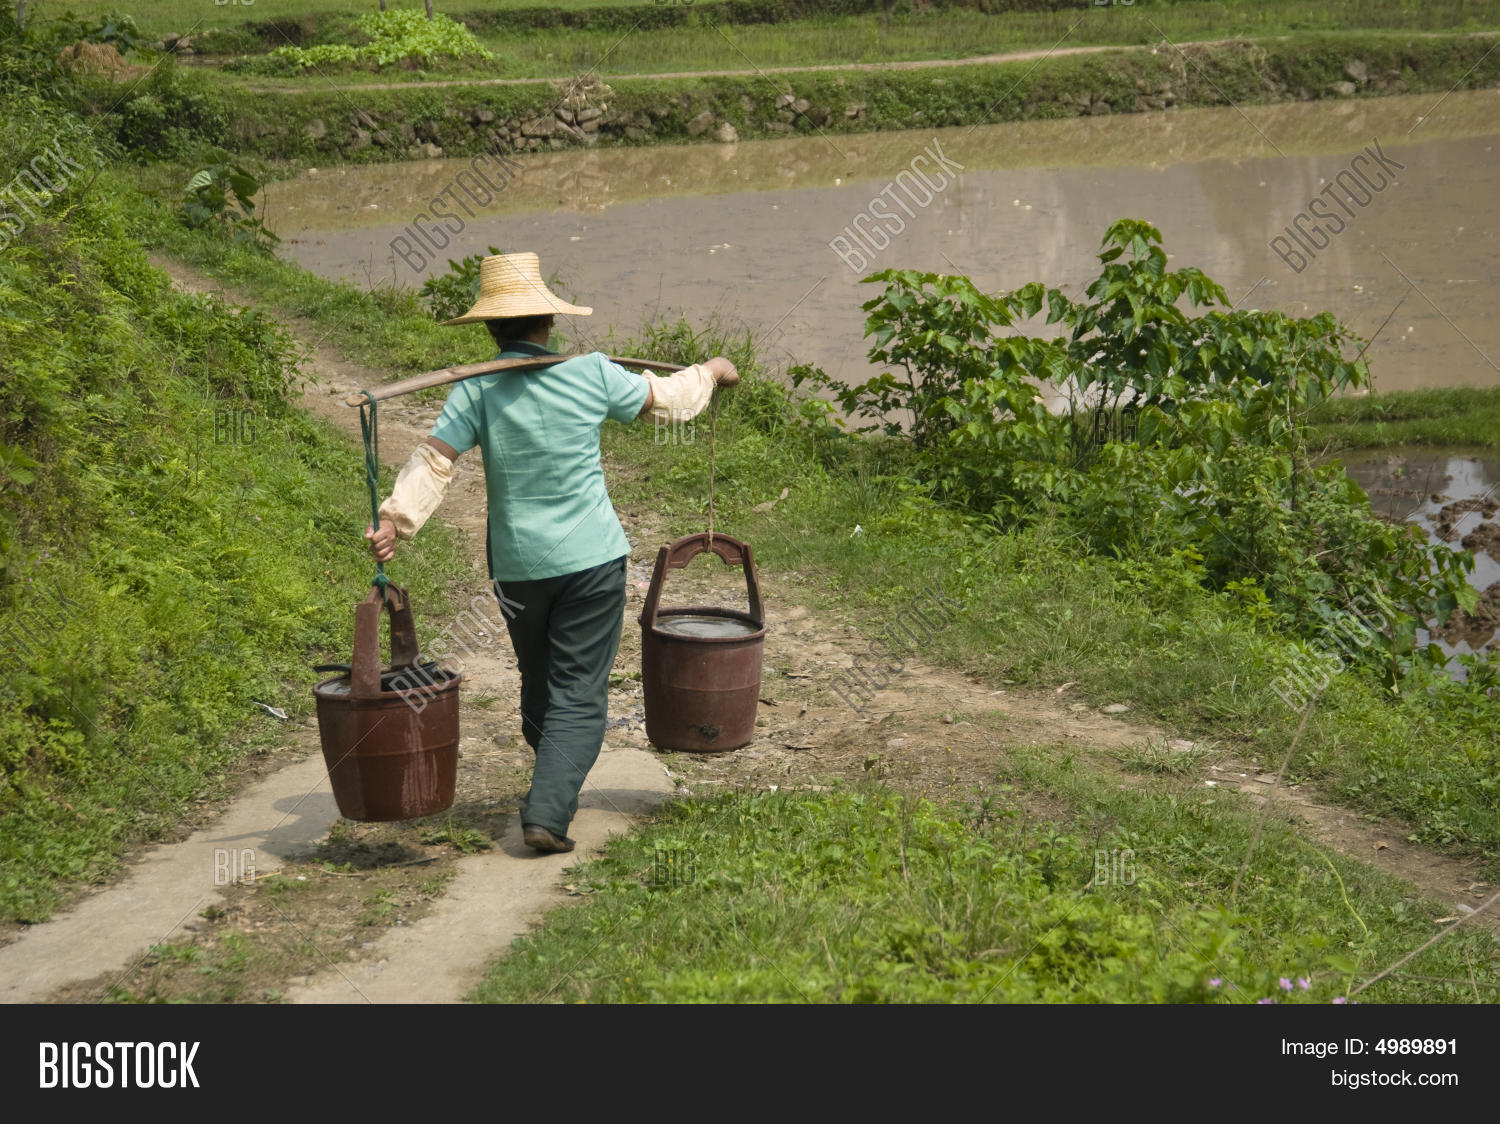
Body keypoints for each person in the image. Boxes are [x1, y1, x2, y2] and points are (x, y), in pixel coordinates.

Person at [365, 252, 737, 853]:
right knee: (578, 692)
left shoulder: (477, 385)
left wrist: (394, 521)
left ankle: (550, 781)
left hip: (519, 568)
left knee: (542, 680)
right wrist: (714, 370)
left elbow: (436, 458)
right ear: (549, 322)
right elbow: (668, 399)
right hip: (592, 560)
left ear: (492, 328)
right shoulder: (590, 371)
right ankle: (547, 810)